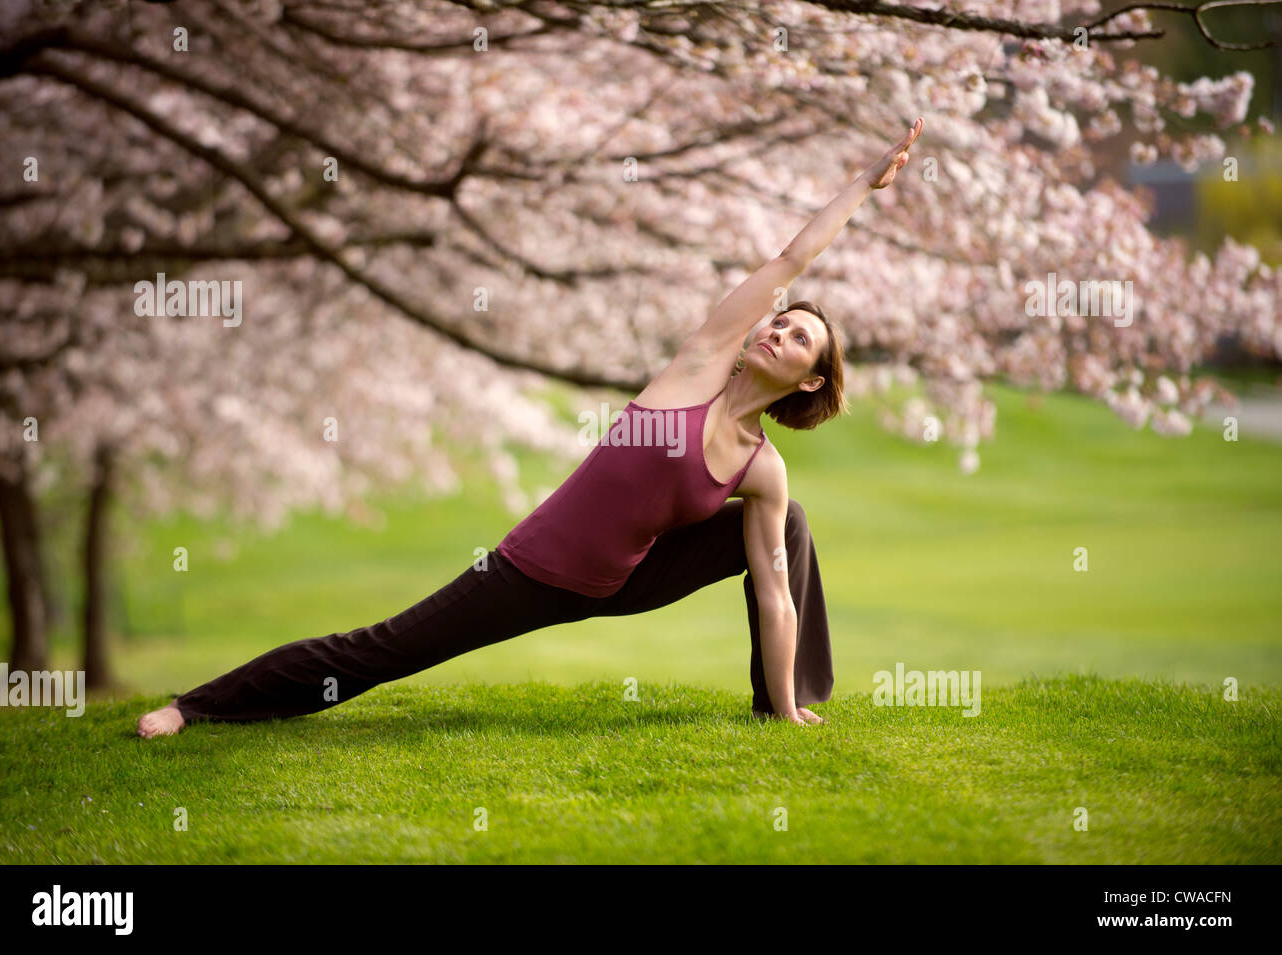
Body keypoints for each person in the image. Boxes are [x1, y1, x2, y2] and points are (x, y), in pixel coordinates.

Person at [136, 117, 924, 738]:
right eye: (780, 323)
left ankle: (780, 702)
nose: (776, 331)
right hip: (533, 570)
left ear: (810, 379)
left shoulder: (761, 467)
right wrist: (861, 183)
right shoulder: (700, 364)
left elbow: (777, 598)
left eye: (796, 339)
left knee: (789, 528)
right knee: (381, 651)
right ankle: (196, 706)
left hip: (625, 581)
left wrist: (786, 710)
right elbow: (788, 260)